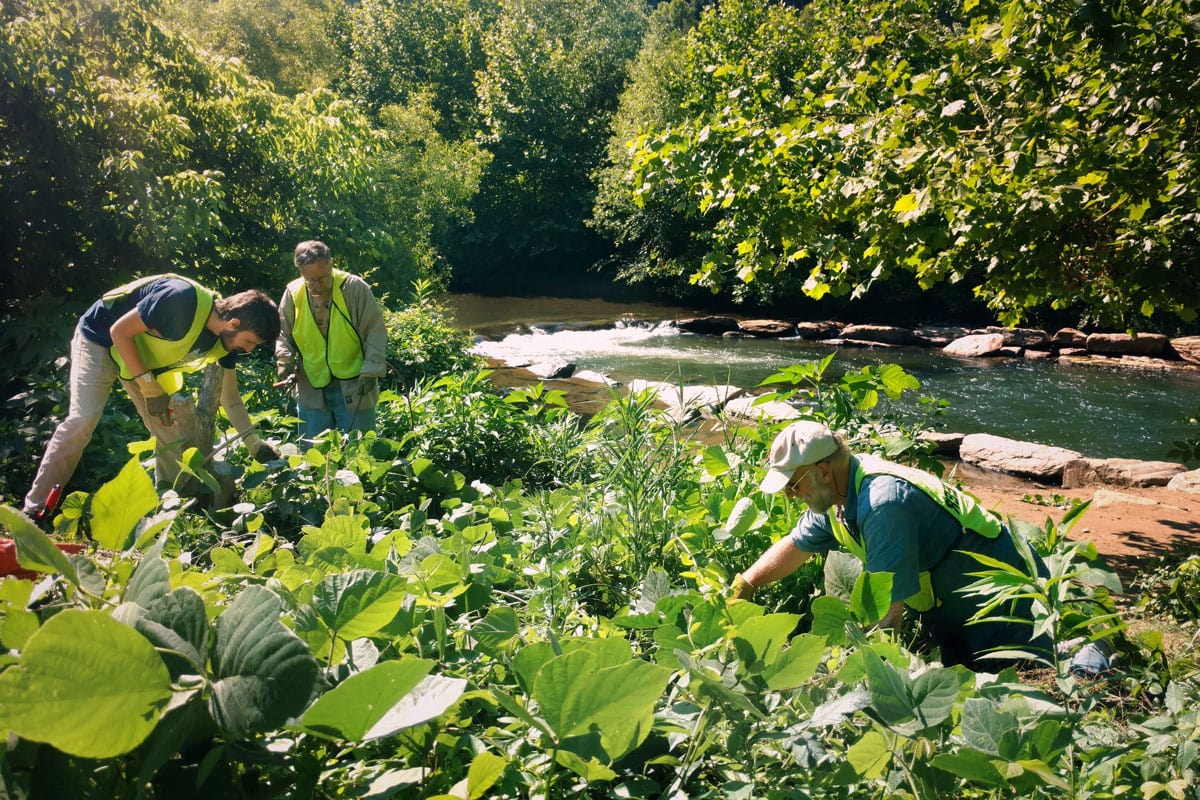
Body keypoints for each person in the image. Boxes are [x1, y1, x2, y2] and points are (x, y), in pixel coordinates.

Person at [731, 420, 1051, 671]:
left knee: (1042, 668)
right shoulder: (840, 496)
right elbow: (797, 545)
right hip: (958, 607)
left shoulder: (883, 504)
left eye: (792, 484)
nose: (790, 495)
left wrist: (859, 675)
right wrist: (747, 582)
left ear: (824, 472)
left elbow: (888, 615)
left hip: (1011, 607)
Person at [23, 275, 281, 517]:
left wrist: (253, 442)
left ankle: (168, 513)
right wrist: (148, 385)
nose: (248, 350)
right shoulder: (180, 299)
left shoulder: (225, 343)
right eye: (250, 342)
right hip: (101, 339)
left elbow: (231, 399)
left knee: (171, 434)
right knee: (83, 420)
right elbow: (119, 332)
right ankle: (34, 511)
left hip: (141, 360)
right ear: (234, 323)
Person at [275, 240, 387, 438]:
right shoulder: (293, 293)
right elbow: (283, 333)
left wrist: (371, 371)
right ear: (300, 271)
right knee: (312, 453)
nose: (317, 285)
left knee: (361, 451)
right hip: (311, 385)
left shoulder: (354, 288)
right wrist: (285, 362)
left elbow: (375, 331)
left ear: (331, 263)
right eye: (311, 280)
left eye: (323, 278)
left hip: (355, 384)